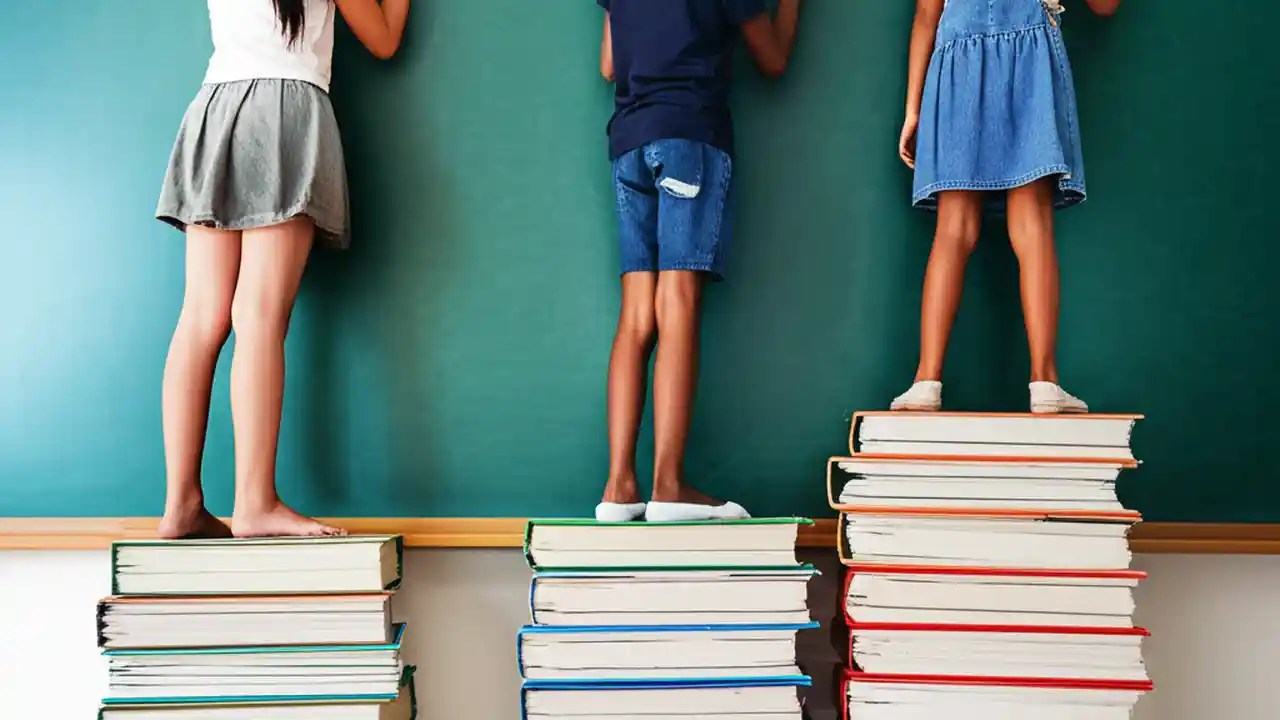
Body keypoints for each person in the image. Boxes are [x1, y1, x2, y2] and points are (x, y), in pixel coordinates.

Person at [155, 0, 410, 538]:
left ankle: (180, 502)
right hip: (286, 107)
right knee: (260, 314)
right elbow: (384, 39)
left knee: (201, 317)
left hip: (216, 105)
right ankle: (254, 502)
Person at [595, 0, 803, 522]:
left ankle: (619, 486)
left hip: (629, 141)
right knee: (679, 298)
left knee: (637, 312)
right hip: (689, 132)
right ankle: (668, 484)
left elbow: (609, 64)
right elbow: (773, 58)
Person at [892, 0, 1121, 414]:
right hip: (1028, 56)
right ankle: (1045, 381)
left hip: (955, 58)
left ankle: (926, 380)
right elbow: (1105, 6)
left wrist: (914, 110)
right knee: (1031, 226)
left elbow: (927, 14)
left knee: (953, 230)